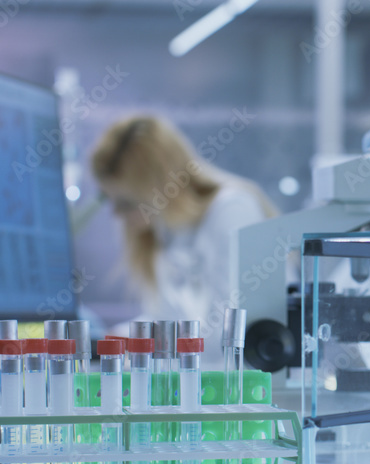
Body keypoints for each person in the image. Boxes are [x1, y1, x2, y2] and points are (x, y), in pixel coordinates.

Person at [91, 116, 278, 358]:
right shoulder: (164, 232)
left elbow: (225, 338)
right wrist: (111, 339)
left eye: (126, 202)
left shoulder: (232, 211)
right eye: (110, 200)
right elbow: (167, 321)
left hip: (250, 383)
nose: (116, 214)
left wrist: (134, 346)